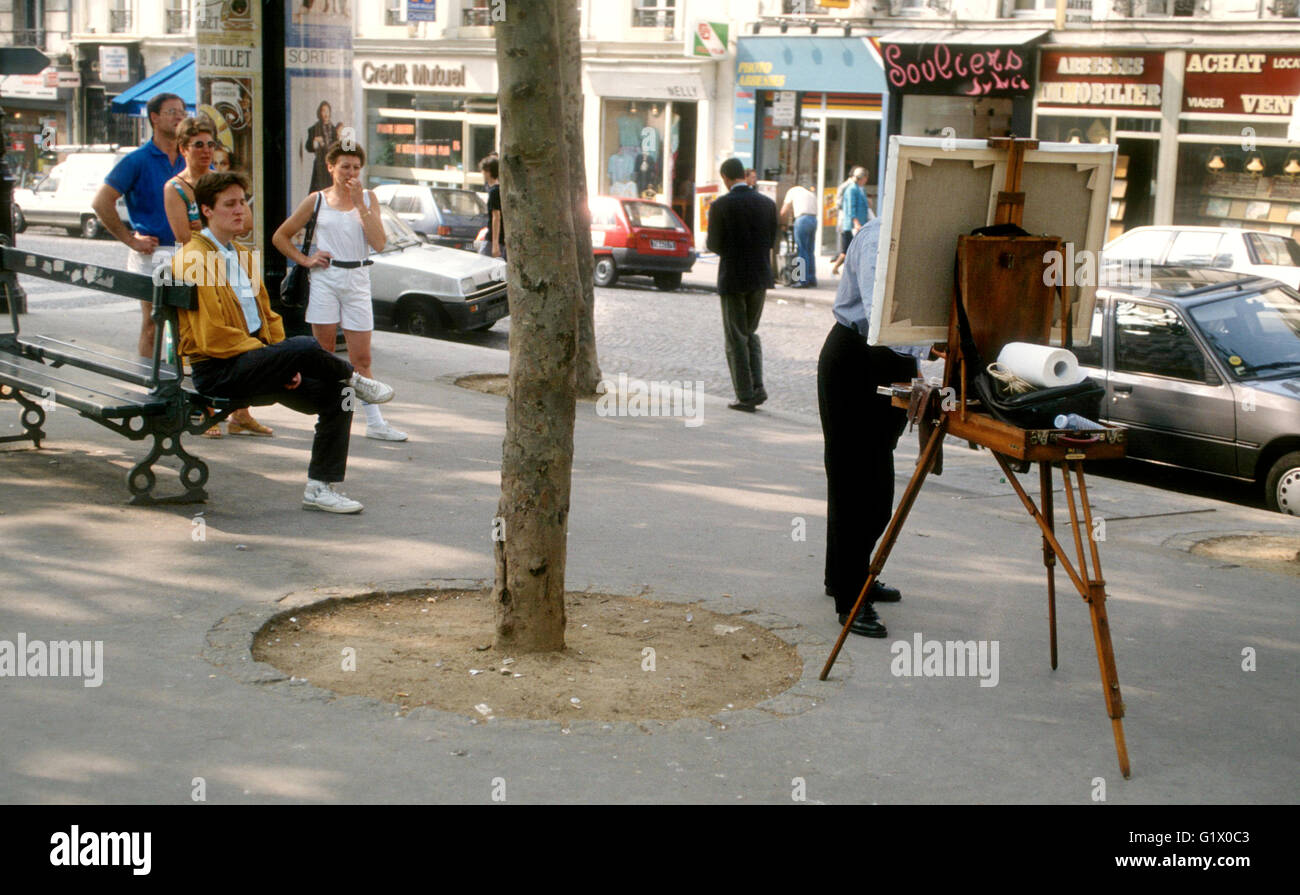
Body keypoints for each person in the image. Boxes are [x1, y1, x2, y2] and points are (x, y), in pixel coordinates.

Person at [175, 172, 395, 513]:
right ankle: (355, 376)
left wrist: (279, 361)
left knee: (340, 398)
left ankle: (320, 488)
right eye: (228, 205)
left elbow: (268, 317)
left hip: (254, 364)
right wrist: (278, 359)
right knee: (307, 347)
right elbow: (212, 335)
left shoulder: (242, 253)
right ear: (206, 210)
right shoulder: (194, 259)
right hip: (218, 370)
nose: (239, 212)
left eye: (242, 204)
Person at [818, 216, 927, 638]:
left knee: (872, 475)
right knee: (858, 486)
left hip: (891, 363)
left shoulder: (921, 237)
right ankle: (850, 598)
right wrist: (932, 347)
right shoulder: (880, 236)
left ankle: (845, 575)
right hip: (855, 360)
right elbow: (881, 316)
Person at [272, 140, 406, 442]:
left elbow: (379, 243)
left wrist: (360, 203)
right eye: (345, 166)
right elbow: (281, 236)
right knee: (326, 353)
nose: (351, 172)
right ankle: (330, 414)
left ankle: (374, 422)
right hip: (326, 278)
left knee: (362, 358)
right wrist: (306, 260)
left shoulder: (368, 198)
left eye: (356, 167)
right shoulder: (317, 200)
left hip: (358, 277)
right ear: (331, 167)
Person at [164, 117, 273, 439]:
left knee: (245, 322)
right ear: (184, 148)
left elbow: (247, 223)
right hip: (200, 264)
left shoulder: (222, 181)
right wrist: (215, 227)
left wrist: (222, 218)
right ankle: (208, 410)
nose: (206, 151)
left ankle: (240, 414)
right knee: (210, 331)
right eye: (198, 144)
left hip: (226, 256)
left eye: (211, 144)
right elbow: (185, 234)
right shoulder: (176, 188)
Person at [91, 92, 186, 364]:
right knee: (153, 323)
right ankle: (150, 387)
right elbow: (101, 202)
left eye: (182, 111)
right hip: (152, 255)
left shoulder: (191, 157)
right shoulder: (138, 160)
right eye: (172, 112)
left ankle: (184, 390)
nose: (179, 116)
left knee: (188, 327)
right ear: (154, 118)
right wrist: (131, 240)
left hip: (189, 252)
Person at [705, 157, 778, 413]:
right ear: (744, 175)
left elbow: (713, 244)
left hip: (734, 277)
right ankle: (758, 388)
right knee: (751, 333)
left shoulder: (720, 205)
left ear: (725, 177)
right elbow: (772, 240)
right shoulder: (767, 204)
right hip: (759, 276)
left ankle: (745, 394)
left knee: (736, 337)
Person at [830, 166, 871, 276]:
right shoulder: (852, 189)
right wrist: (856, 222)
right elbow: (850, 208)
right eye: (865, 178)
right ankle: (839, 269)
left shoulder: (859, 189)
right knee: (848, 250)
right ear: (861, 178)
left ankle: (842, 269)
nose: (866, 180)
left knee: (850, 250)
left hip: (857, 224)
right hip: (851, 225)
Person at [779, 181, 819, 288]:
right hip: (813, 220)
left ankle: (802, 280)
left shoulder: (792, 191)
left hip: (802, 220)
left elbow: (783, 212)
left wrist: (783, 224)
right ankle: (811, 279)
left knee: (802, 250)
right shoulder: (810, 193)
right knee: (810, 251)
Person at [304, 101, 339, 193]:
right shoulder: (314, 129)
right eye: (323, 111)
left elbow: (336, 149)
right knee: (318, 193)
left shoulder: (334, 130)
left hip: (331, 167)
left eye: (328, 111)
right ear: (319, 113)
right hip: (320, 166)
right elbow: (308, 147)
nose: (326, 114)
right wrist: (314, 142)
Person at [480, 155, 505, 260]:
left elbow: (496, 217)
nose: (482, 173)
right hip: (501, 239)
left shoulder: (494, 192)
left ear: (488, 171)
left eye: (483, 170)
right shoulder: (499, 189)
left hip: (493, 239)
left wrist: (495, 244)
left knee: (480, 268)